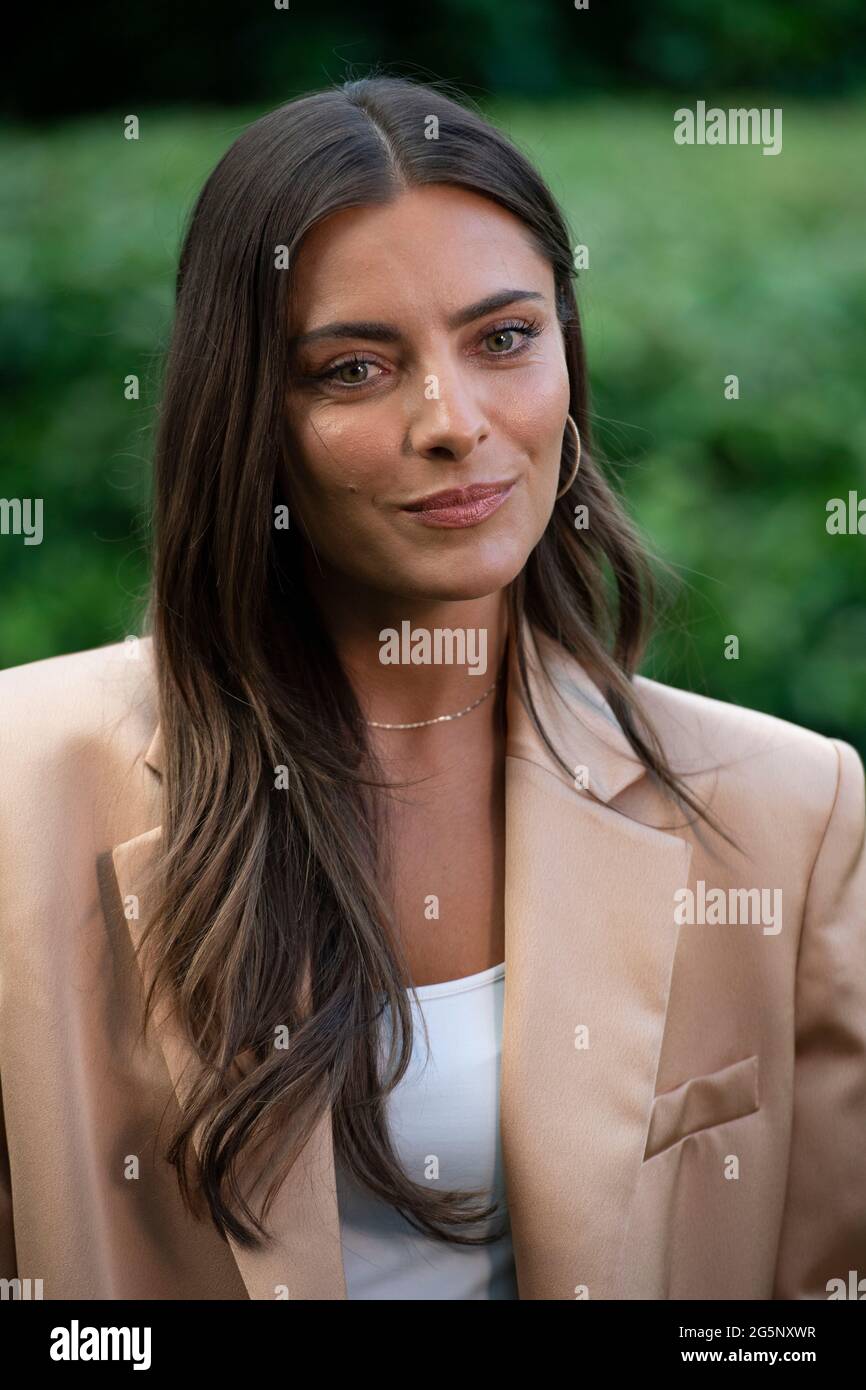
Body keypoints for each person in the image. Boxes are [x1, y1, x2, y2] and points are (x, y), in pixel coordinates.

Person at [1, 75, 864, 1302]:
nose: (452, 421)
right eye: (353, 368)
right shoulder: (18, 788)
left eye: (503, 338)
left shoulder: (789, 810)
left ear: (566, 352)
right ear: (250, 415)